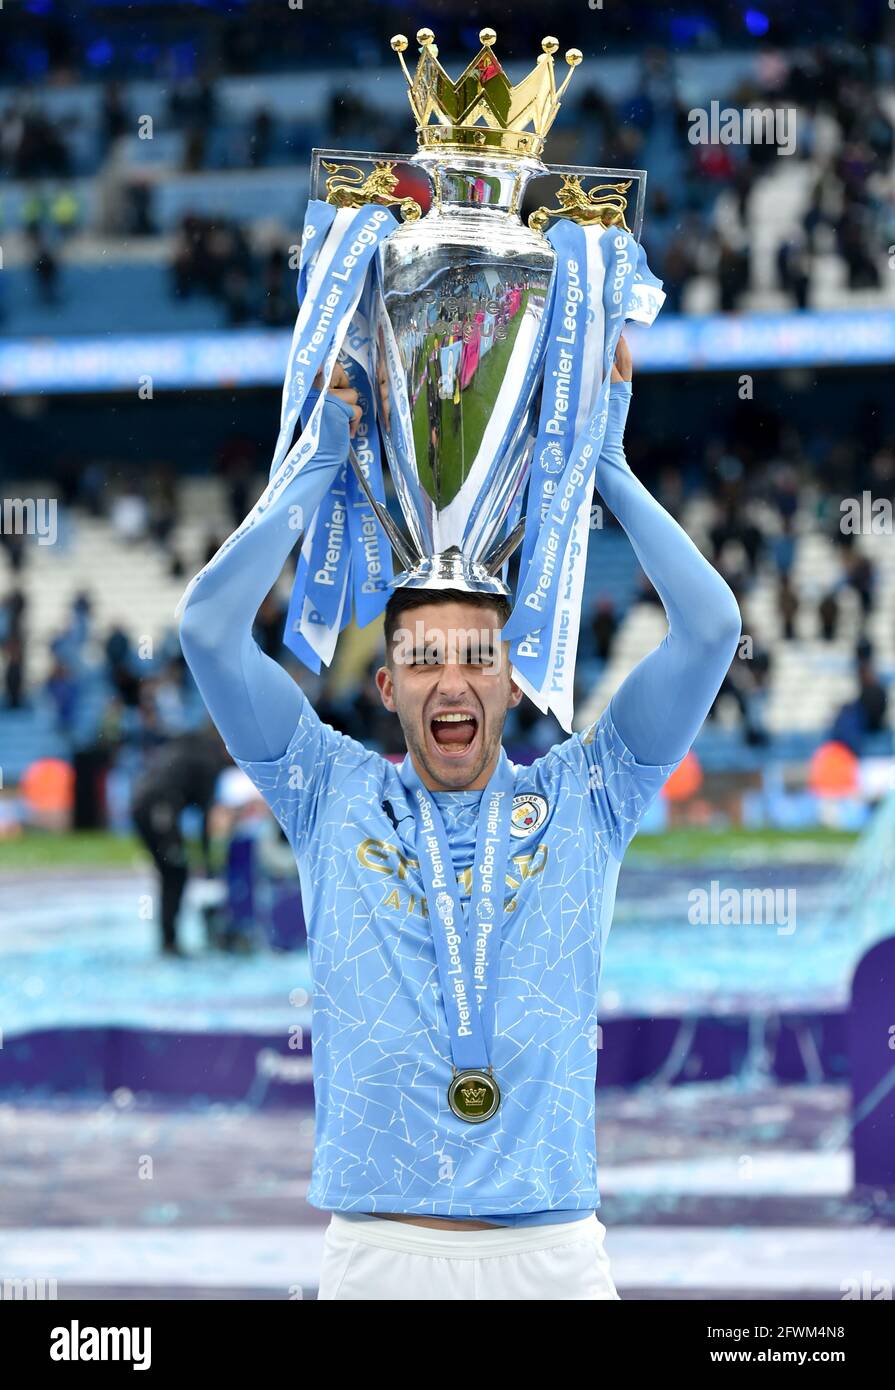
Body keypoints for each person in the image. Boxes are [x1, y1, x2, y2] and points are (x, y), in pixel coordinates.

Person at [178, 338, 741, 1300]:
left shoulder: (589, 795)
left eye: (476, 655)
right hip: (379, 1253)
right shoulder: (327, 791)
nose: (452, 678)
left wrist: (606, 462)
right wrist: (318, 457)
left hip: (553, 1257)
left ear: (512, 680)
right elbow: (205, 631)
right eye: (425, 657)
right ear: (389, 684)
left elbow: (710, 628)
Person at [131, 728, 230, 957]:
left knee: (172, 873)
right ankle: (170, 943)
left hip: (143, 803)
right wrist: (208, 864)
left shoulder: (191, 745)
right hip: (159, 806)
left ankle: (169, 940)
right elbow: (205, 815)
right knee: (175, 873)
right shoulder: (208, 759)